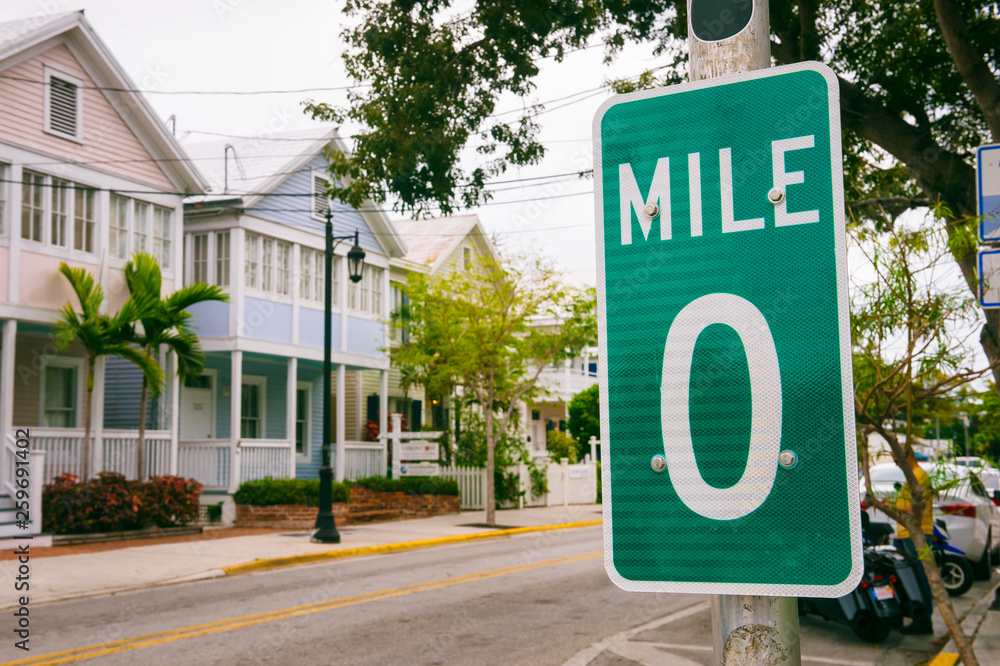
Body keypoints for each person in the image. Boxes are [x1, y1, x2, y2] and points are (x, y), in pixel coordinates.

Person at [894, 448, 936, 635]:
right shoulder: (914, 475)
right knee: (908, 578)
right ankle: (915, 615)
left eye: (897, 460)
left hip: (915, 534)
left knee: (919, 578)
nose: (897, 465)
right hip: (906, 533)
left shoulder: (918, 476)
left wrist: (892, 505)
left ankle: (924, 620)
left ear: (908, 457)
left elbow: (909, 506)